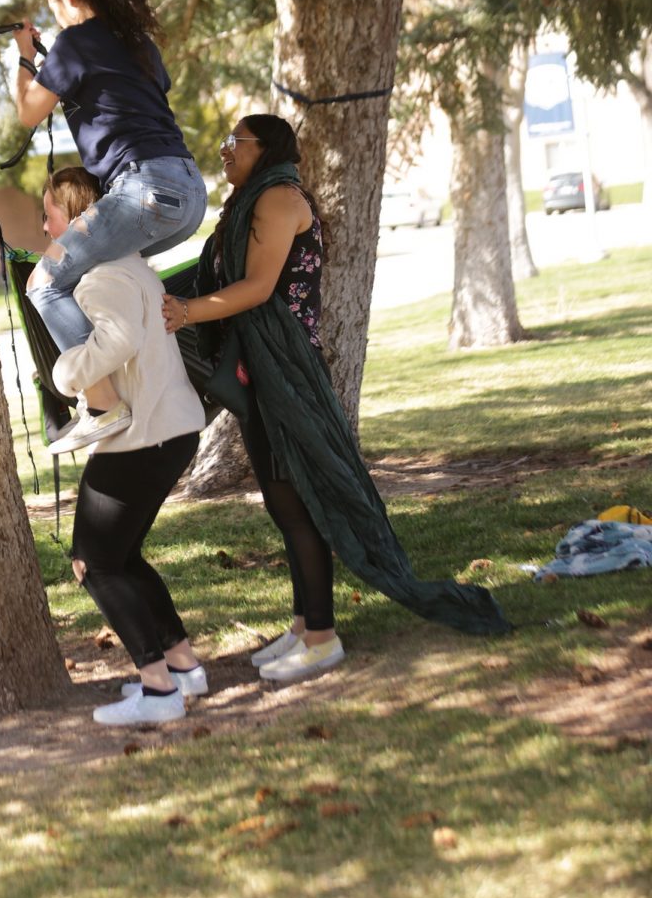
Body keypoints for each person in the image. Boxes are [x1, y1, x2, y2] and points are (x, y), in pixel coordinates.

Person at [162, 114, 510, 686]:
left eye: (235, 142)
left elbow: (258, 288)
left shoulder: (276, 198)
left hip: (284, 369)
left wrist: (188, 312)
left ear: (265, 149)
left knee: (296, 500)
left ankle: (321, 638)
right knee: (281, 498)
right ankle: (304, 625)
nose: (224, 150)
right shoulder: (255, 199)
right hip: (261, 367)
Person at [14, 0, 206, 455]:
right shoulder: (138, 42)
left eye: (54, 3)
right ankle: (135, 393)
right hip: (188, 191)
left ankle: (101, 404)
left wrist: (25, 58)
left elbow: (29, 113)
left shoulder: (76, 42)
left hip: (143, 189)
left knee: (45, 283)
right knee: (104, 277)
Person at [44, 166, 208, 727]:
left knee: (93, 562)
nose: (47, 229)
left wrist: (67, 374)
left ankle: (159, 690)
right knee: (123, 556)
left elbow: (120, 340)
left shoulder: (98, 277)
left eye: (51, 216)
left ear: (76, 220)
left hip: (145, 436)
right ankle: (184, 667)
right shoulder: (134, 266)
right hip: (172, 429)